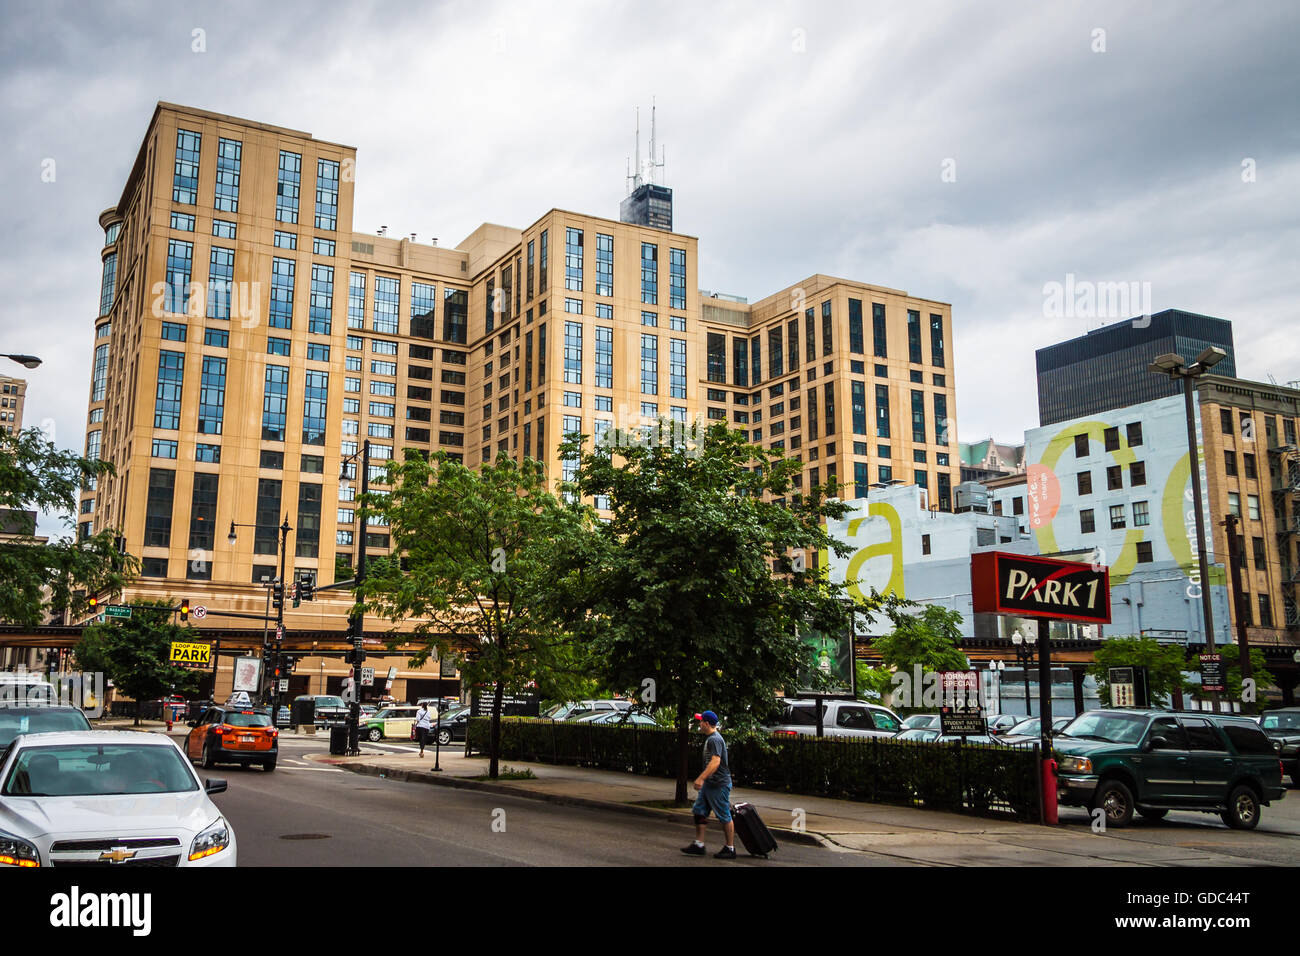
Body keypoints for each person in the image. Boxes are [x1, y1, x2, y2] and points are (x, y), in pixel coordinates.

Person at [681, 710, 735, 859]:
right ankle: (699, 844)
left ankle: (730, 848)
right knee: (699, 811)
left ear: (706, 723)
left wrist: (701, 778)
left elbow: (715, 762)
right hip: (710, 785)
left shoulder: (714, 739)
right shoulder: (711, 738)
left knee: (724, 815)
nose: (699, 724)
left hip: (718, 785)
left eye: (701, 721)